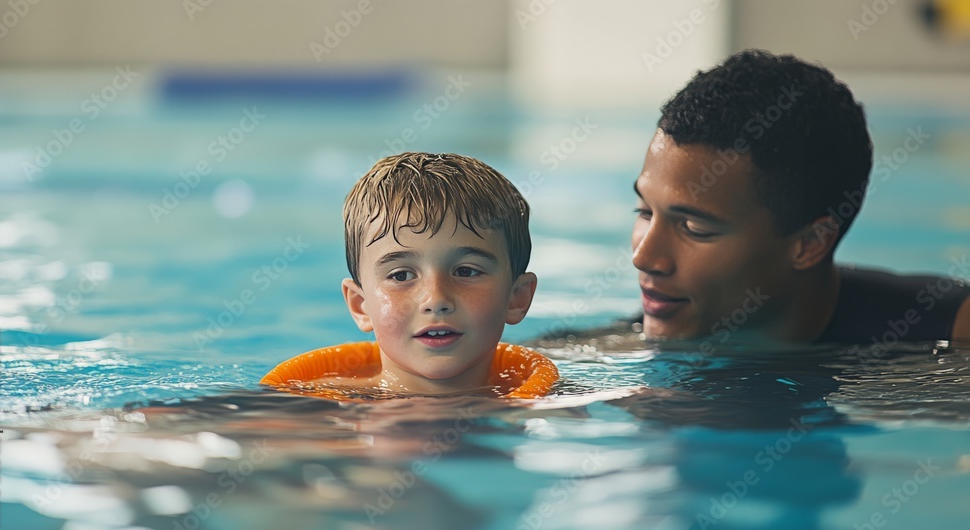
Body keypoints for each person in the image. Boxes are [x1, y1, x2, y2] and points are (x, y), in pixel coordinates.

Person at [618, 49, 970, 345]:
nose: (644, 257)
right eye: (645, 211)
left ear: (811, 243)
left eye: (694, 227)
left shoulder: (949, 333)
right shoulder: (616, 346)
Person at [261, 152, 557, 398]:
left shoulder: (564, 406)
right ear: (360, 306)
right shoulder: (311, 409)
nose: (436, 299)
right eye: (401, 276)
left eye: (466, 271)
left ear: (517, 298)